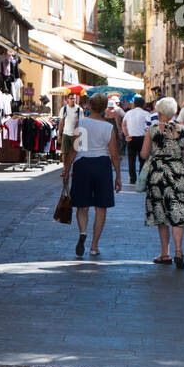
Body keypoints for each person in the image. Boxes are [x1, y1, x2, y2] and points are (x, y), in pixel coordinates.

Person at [140, 97, 184, 267]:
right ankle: (178, 251)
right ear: (173, 112)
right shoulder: (183, 130)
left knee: (161, 214)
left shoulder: (153, 130)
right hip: (179, 174)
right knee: (178, 213)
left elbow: (143, 154)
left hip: (158, 175)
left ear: (159, 111)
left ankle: (165, 254)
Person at [61, 93, 122, 257]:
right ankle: (94, 245)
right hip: (102, 165)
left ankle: (82, 232)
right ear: (103, 108)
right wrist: (118, 175)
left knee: (82, 205)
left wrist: (67, 169)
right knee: (101, 207)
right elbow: (114, 154)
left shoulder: (81, 123)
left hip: (82, 164)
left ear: (89, 105)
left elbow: (74, 149)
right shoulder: (109, 127)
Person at [123, 97, 152, 184]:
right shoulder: (146, 113)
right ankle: (141, 179)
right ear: (143, 104)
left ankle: (132, 179)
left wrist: (126, 135)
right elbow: (149, 127)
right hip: (142, 138)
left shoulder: (128, 113)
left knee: (131, 160)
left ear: (134, 104)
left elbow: (123, 125)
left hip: (131, 138)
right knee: (142, 159)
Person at [57, 92, 84, 157]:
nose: (72, 100)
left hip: (75, 135)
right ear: (67, 100)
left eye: (74, 98)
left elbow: (82, 123)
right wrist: (59, 135)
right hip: (65, 134)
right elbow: (61, 123)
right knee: (64, 154)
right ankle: (65, 167)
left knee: (75, 154)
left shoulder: (79, 109)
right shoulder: (63, 109)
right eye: (71, 98)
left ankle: (73, 167)